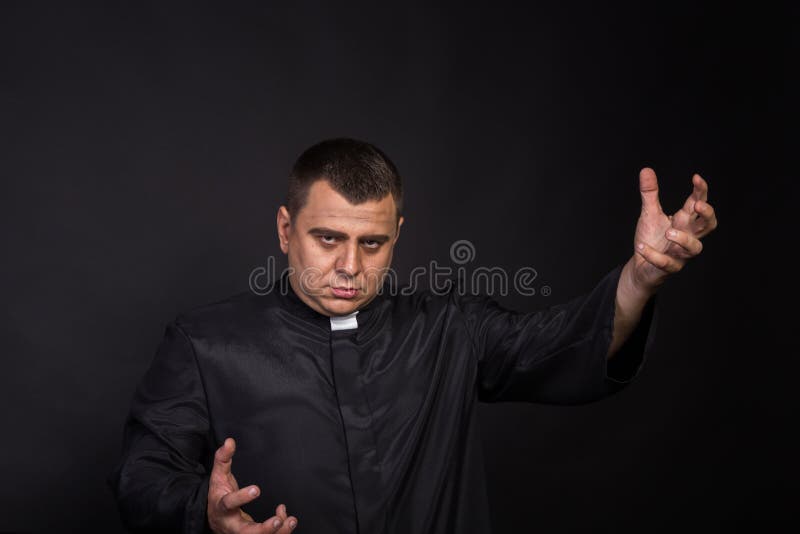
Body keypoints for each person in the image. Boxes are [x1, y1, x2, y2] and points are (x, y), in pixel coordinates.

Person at [108, 138, 717, 533]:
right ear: (284, 227)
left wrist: (639, 279)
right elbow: (141, 475)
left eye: (372, 243)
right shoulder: (206, 341)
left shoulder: (448, 327)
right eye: (328, 239)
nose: (350, 266)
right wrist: (204, 512)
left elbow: (564, 344)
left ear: (397, 234)